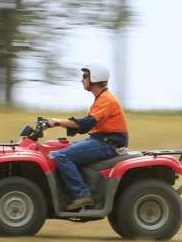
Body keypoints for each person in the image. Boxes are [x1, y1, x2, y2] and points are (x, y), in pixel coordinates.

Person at [47, 61, 129, 211]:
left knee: (61, 156)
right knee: (58, 151)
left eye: (85, 76)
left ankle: (82, 195)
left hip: (109, 143)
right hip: (101, 140)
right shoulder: (101, 99)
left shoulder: (106, 100)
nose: (82, 80)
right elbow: (85, 126)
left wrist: (58, 122)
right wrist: (60, 123)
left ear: (95, 78)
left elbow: (86, 123)